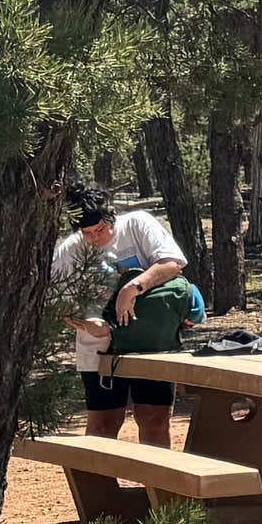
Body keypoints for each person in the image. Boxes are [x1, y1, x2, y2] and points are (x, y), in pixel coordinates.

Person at [49, 184, 188, 448]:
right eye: (86, 233)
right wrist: (85, 323)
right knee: (102, 425)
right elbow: (54, 300)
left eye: (99, 229)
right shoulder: (70, 249)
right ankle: (99, 489)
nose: (94, 238)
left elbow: (172, 262)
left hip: (150, 342)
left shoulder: (138, 224)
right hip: (99, 349)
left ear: (110, 215)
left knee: (155, 420)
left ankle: (158, 488)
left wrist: (132, 288)